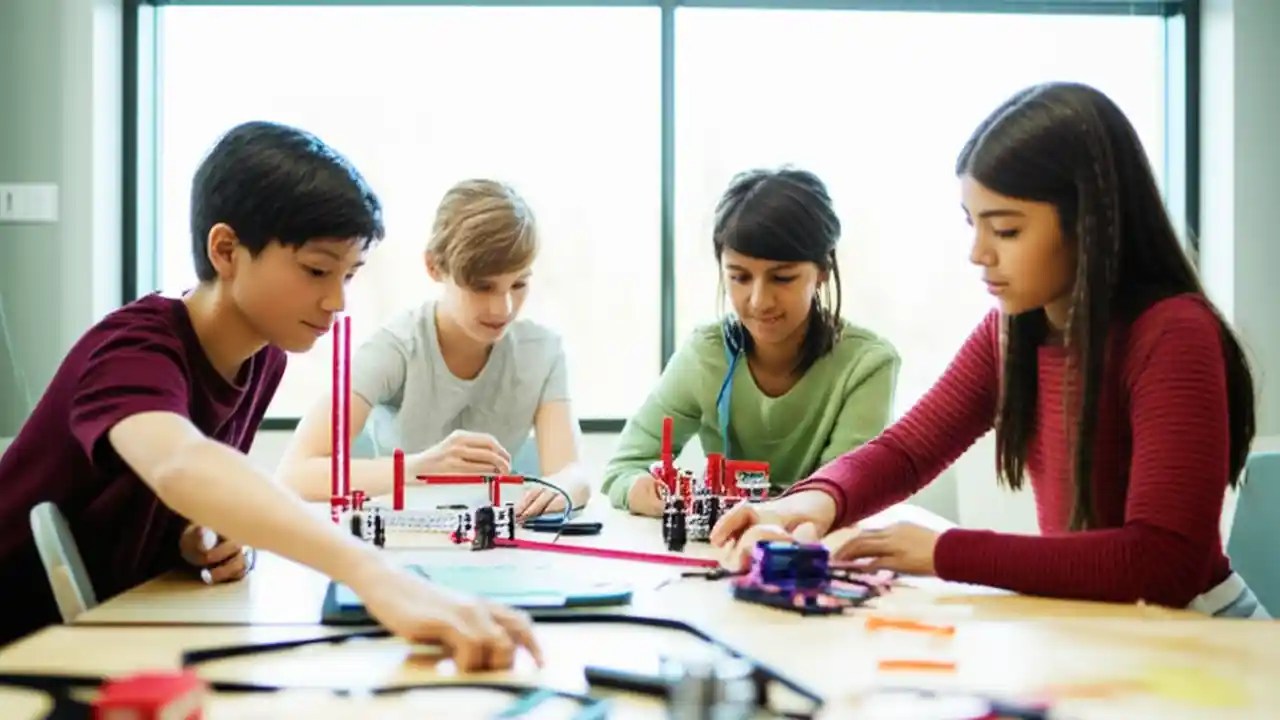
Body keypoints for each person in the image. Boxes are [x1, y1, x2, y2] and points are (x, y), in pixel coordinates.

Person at [711, 82, 1269, 620]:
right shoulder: (1013, 330)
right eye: (972, 224)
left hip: (1202, 634)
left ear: (1089, 224)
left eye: (1005, 230)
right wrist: (798, 506)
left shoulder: (1171, 333)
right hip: (1105, 629)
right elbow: (907, 451)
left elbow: (1163, 561)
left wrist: (942, 551)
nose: (978, 253)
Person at [0, 121, 548, 663]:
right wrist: (377, 576)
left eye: (350, 275)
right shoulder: (133, 349)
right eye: (316, 271)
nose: (337, 301)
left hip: (107, 631)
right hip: (25, 643)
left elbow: (171, 497)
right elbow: (179, 462)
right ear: (226, 250)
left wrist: (195, 538)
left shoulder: (263, 359)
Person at [277, 179, 590, 519]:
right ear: (434, 267)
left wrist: (561, 488)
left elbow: (572, 475)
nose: (504, 308)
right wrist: (421, 468)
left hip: (491, 538)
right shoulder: (395, 348)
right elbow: (295, 474)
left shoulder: (542, 352)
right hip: (404, 535)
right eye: (482, 287)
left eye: (518, 284)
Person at [601, 167, 900, 517]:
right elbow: (622, 469)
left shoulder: (868, 365)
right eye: (739, 277)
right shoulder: (705, 355)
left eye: (782, 277)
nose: (759, 300)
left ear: (821, 270)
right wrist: (641, 490)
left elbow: (847, 492)